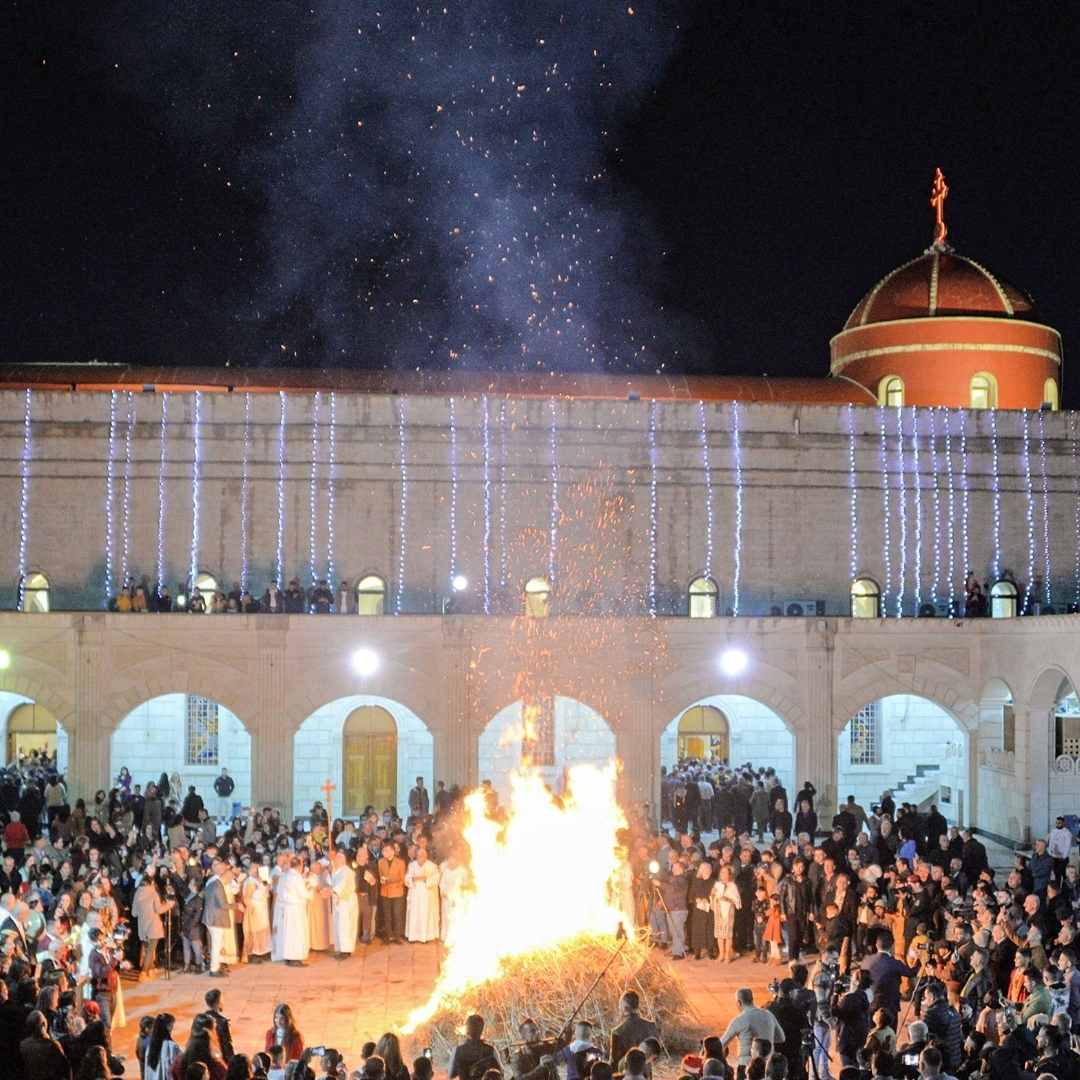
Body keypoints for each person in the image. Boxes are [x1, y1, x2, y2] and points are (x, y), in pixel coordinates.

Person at [720, 988, 785, 1080]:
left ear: (738, 1002)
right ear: (752, 999)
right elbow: (781, 1037)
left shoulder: (739, 1020)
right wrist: (767, 1038)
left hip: (746, 1066)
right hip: (768, 1065)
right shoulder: (768, 1015)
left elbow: (722, 1043)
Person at [132, 867, 176, 981]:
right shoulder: (153, 894)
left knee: (148, 949)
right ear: (151, 883)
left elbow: (134, 913)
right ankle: (143, 973)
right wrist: (169, 905)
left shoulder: (137, 894)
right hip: (153, 925)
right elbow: (159, 909)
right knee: (151, 950)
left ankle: (151, 971)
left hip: (142, 926)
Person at [203, 858, 236, 978]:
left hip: (213, 917)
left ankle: (216, 966)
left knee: (218, 943)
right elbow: (223, 904)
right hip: (214, 918)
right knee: (216, 944)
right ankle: (214, 969)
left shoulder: (215, 881)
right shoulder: (217, 884)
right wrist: (237, 906)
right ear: (220, 872)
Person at [609, 992, 659, 1069]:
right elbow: (656, 1054)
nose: (619, 1007)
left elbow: (614, 1062)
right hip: (645, 1075)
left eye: (620, 1005)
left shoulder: (618, 1032)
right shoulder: (651, 1027)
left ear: (626, 1008)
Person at [447, 1015, 501, 1080]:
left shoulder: (456, 1051)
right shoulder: (491, 1050)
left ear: (467, 1029)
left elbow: (450, 1075)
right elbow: (501, 1073)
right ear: (482, 1029)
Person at [404, 848, 440, 943]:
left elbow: (436, 879)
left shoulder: (432, 866)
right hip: (415, 894)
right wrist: (412, 880)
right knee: (414, 914)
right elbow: (407, 878)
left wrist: (425, 879)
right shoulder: (411, 865)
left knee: (425, 914)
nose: (420, 858)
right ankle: (413, 936)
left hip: (426, 895)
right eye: (418, 856)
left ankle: (425, 937)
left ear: (426, 856)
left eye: (422, 856)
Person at [378, 843, 407, 945]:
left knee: (397, 914)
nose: (384, 853)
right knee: (387, 914)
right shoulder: (380, 862)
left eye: (386, 850)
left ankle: (397, 936)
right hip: (385, 891)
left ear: (392, 851)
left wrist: (394, 884)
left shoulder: (400, 862)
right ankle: (388, 936)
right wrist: (382, 880)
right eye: (383, 851)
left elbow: (402, 878)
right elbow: (380, 874)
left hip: (397, 891)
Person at [202, 989, 235, 1064]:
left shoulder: (200, 1019)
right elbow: (227, 1045)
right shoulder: (222, 1022)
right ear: (218, 1003)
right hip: (219, 1059)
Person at [145, 1014, 182, 1080]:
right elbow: (175, 1068)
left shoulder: (150, 1047)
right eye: (171, 1024)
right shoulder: (171, 1046)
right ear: (168, 1027)